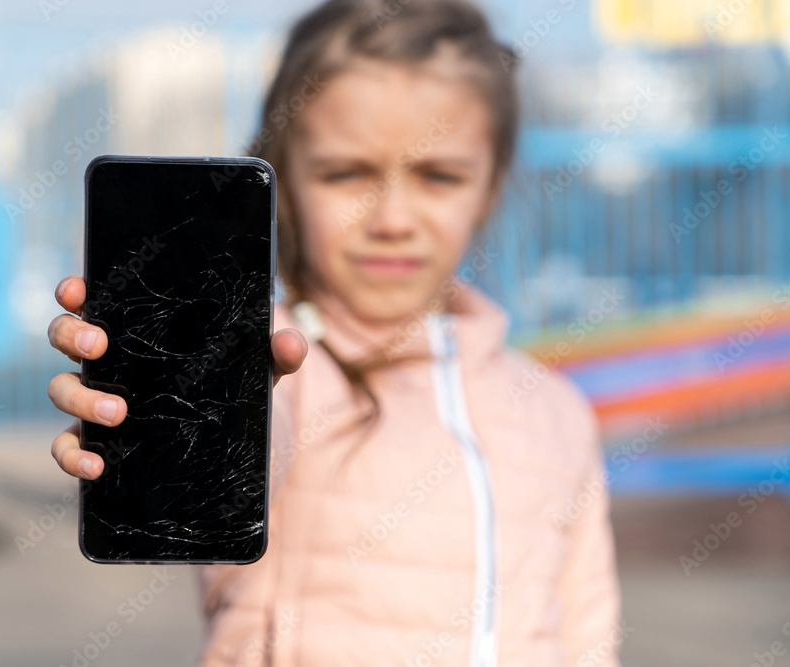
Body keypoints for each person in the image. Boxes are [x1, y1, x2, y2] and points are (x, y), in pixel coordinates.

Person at [47, 0, 622, 664]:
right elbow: (213, 474)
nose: (393, 219)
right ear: (284, 185)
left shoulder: (559, 415)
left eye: (439, 175)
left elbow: (589, 638)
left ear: (490, 186)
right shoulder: (278, 370)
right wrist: (163, 409)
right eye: (347, 173)